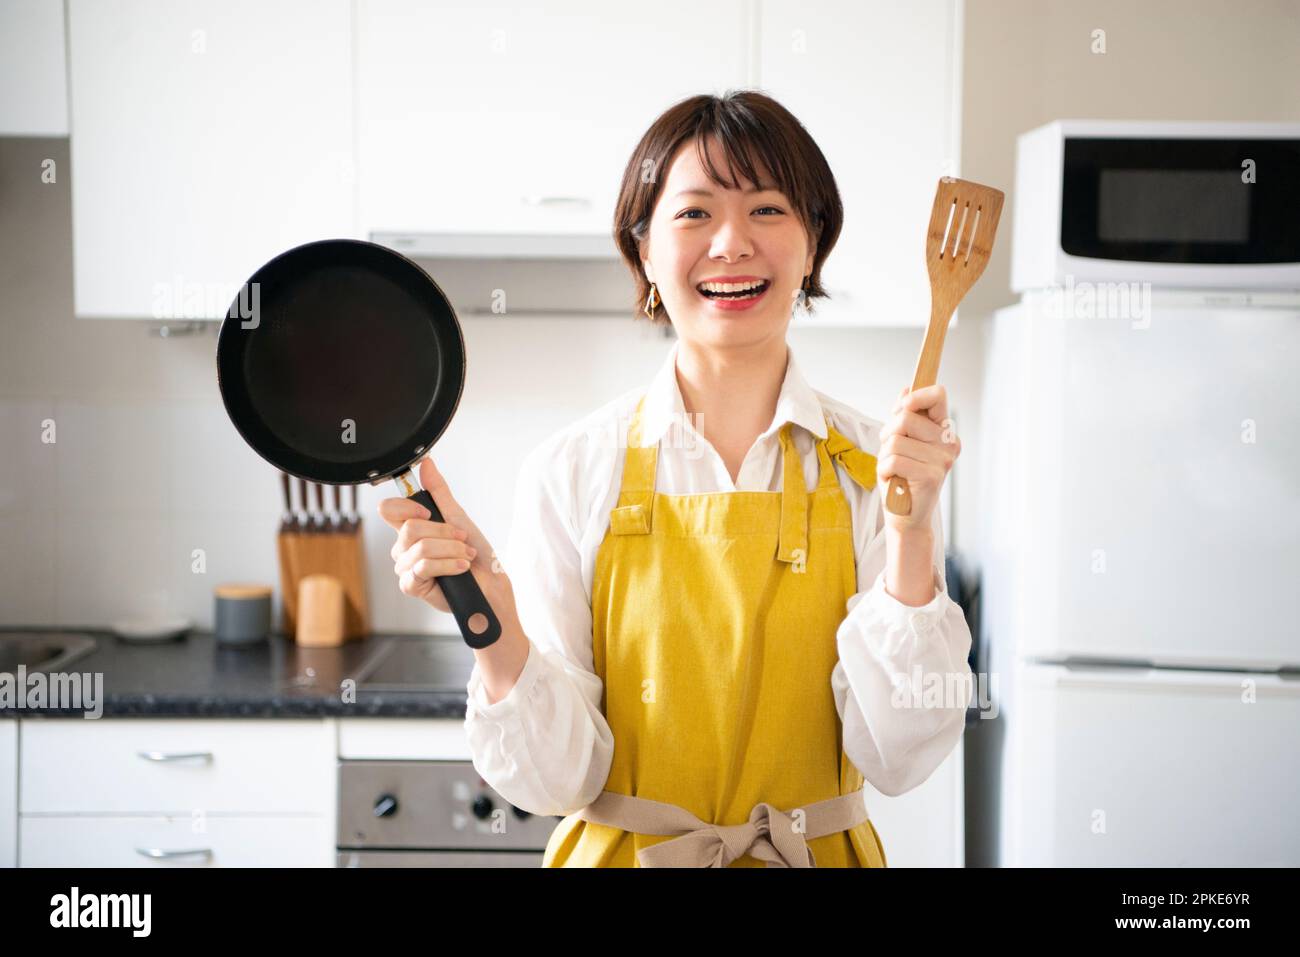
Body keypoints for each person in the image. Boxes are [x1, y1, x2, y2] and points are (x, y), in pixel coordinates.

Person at [379, 90, 973, 868]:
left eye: (767, 209)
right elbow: (556, 780)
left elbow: (898, 755)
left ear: (812, 241)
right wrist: (498, 638)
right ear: (645, 250)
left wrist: (913, 534)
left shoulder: (877, 467)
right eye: (694, 213)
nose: (732, 242)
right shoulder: (571, 469)